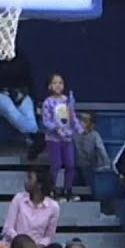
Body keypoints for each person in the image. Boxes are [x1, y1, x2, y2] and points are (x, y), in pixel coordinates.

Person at [41, 73, 82, 201]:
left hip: (67, 138)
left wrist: (79, 128)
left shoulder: (67, 100)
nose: (58, 85)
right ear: (49, 86)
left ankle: (68, 189)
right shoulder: (48, 102)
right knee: (56, 164)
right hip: (54, 139)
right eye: (55, 83)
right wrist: (56, 128)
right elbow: (46, 121)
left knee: (70, 164)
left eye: (60, 83)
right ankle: (52, 189)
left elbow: (72, 116)